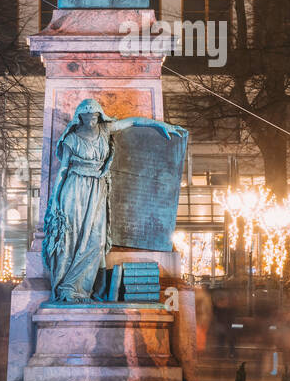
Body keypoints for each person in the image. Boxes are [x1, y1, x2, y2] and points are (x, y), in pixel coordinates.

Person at [42, 99, 186, 302]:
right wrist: (55, 200)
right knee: (72, 238)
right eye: (87, 116)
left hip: (98, 188)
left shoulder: (105, 130)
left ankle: (81, 287)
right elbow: (63, 170)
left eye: (95, 116)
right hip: (74, 190)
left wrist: (160, 124)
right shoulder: (71, 140)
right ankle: (68, 289)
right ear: (79, 117)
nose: (92, 120)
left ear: (99, 116)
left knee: (96, 240)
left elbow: (133, 122)